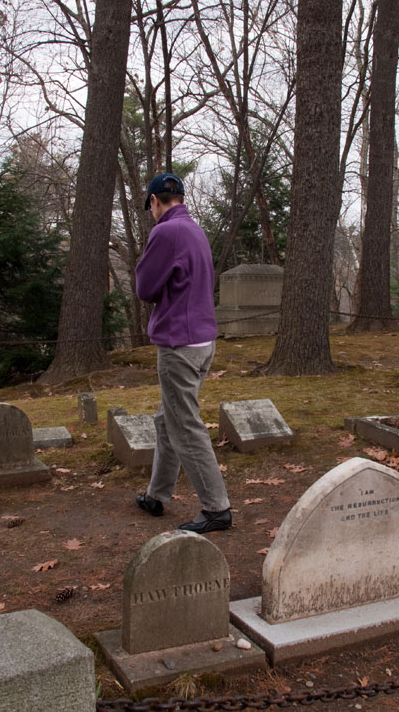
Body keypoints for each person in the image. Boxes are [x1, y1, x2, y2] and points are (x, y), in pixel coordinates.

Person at [133, 172, 232, 533]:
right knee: (167, 419)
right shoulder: (194, 228)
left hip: (179, 344)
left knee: (185, 426)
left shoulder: (166, 231)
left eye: (151, 207)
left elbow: (145, 287)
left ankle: (217, 508)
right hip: (202, 341)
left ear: (155, 201)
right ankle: (156, 495)